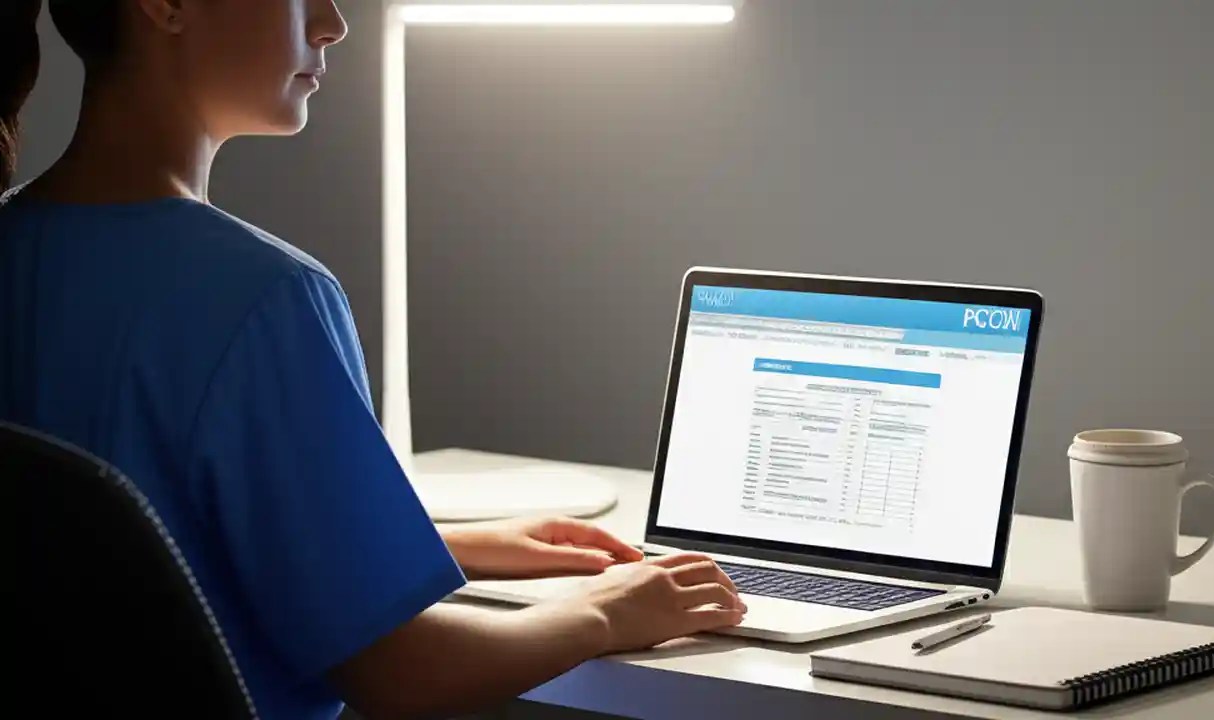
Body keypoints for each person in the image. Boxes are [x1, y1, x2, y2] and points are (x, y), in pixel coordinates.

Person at [0, 1, 745, 718]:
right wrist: (605, 613)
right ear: (165, 4)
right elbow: (400, 672)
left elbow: (111, 549)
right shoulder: (263, 296)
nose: (333, 23)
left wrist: (438, 547)